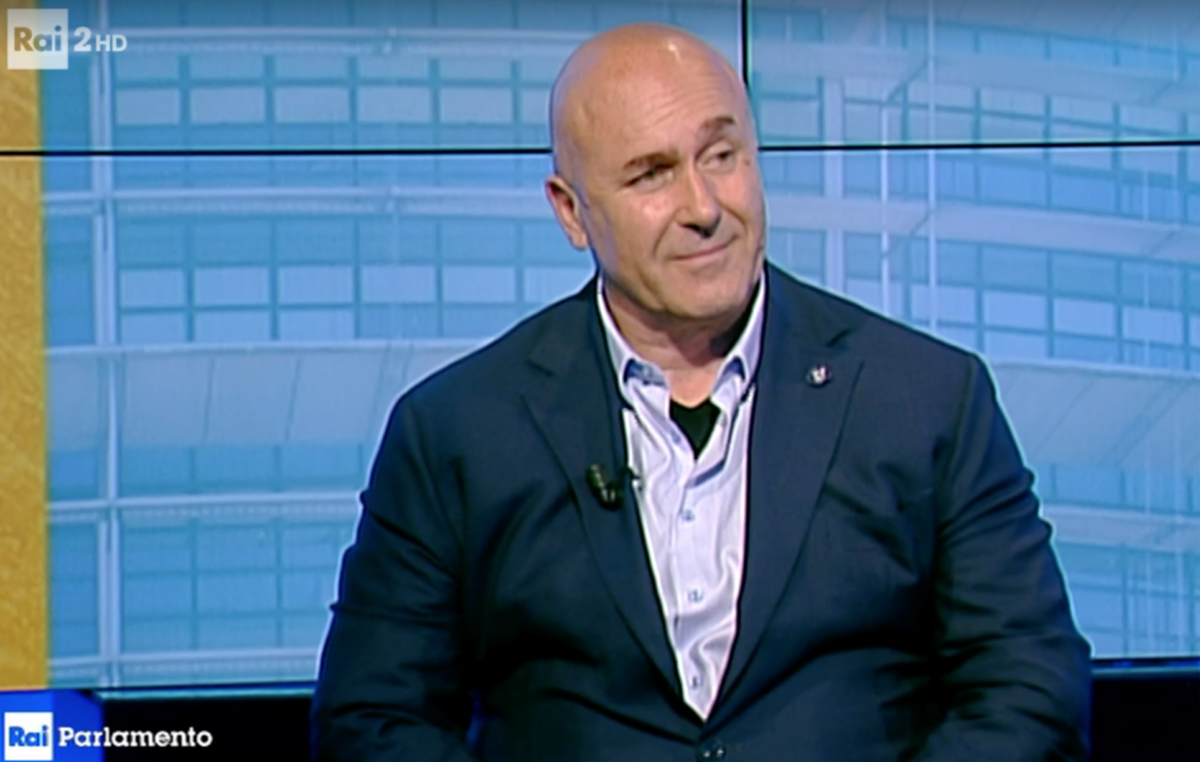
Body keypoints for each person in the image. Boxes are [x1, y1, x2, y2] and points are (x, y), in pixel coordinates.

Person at [311, 23, 1091, 762]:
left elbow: (1030, 687)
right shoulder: (459, 430)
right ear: (572, 212)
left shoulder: (923, 398)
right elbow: (373, 719)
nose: (704, 208)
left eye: (721, 156)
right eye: (652, 174)